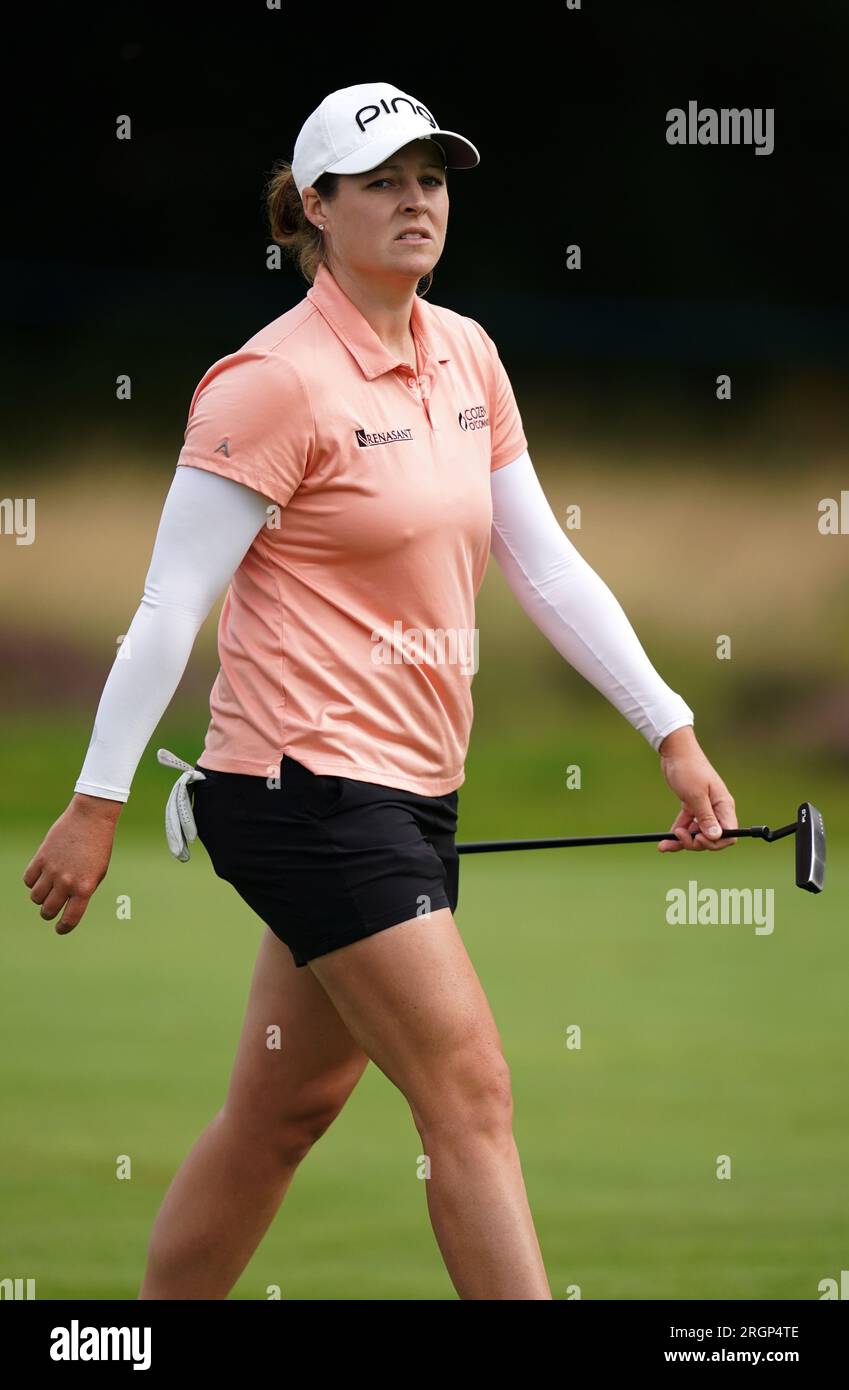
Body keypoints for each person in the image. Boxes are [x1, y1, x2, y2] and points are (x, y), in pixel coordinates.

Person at [22, 82, 737, 1301]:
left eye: (433, 179)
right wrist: (95, 801)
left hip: (411, 790)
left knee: (282, 1113)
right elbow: (167, 608)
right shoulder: (269, 383)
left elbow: (546, 566)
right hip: (299, 788)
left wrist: (670, 725)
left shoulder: (467, 352)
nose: (417, 202)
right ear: (315, 208)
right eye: (384, 181)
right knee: (470, 1091)